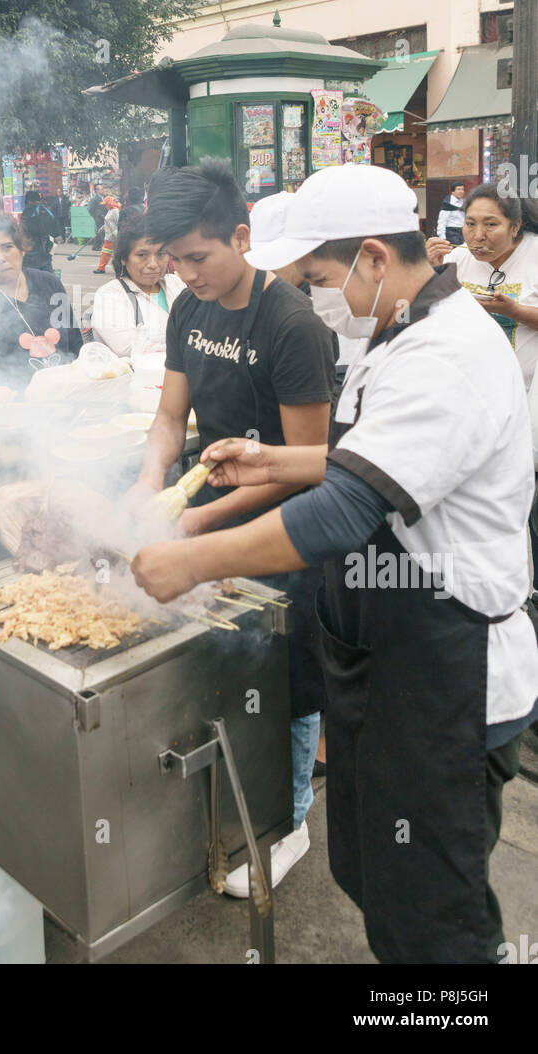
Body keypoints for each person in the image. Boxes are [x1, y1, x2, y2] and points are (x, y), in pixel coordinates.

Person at [132, 163, 538, 964]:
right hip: (394, 662)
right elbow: (362, 461)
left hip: (449, 675)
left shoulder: (445, 357)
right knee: (378, 878)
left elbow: (349, 508)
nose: (318, 297)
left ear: (374, 260)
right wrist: (269, 461)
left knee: (435, 921)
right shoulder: (398, 331)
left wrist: (193, 559)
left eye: (320, 278)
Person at [129, 160, 336, 889]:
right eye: (171, 260)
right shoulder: (188, 308)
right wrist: (150, 482)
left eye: (197, 257)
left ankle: (290, 823)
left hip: (282, 530)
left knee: (286, 674)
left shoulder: (291, 326)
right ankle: (225, 794)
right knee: (221, 659)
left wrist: (196, 527)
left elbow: (304, 464)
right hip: (206, 508)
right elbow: (166, 417)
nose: (185, 274)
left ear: (240, 237)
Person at [433, 182, 538, 385]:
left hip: (529, 391)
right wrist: (430, 272)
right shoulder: (457, 258)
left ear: (515, 226)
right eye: (470, 224)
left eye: (490, 225)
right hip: (472, 384)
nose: (478, 236)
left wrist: (515, 311)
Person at [0, 214, 82, 386]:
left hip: (66, 394)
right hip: (13, 406)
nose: (1, 258)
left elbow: (76, 345)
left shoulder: (49, 283)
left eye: (8, 247)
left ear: (22, 249)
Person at [91, 213, 184, 356]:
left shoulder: (176, 284)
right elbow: (127, 348)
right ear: (123, 258)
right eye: (141, 255)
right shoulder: (110, 295)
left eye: (161, 254)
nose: (153, 265)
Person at [19, 191, 58, 273]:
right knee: (48, 277)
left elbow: (23, 230)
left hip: (32, 251)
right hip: (46, 249)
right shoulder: (46, 209)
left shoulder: (27, 211)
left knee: (32, 279)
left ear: (29, 201)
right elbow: (54, 225)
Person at [93, 197, 121, 273]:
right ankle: (103, 268)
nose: (105, 206)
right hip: (109, 236)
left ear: (110, 204)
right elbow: (108, 221)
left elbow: (118, 223)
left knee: (106, 252)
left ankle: (101, 268)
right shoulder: (110, 210)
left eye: (106, 204)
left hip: (113, 236)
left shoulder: (115, 211)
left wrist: (116, 232)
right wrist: (102, 227)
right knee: (111, 252)